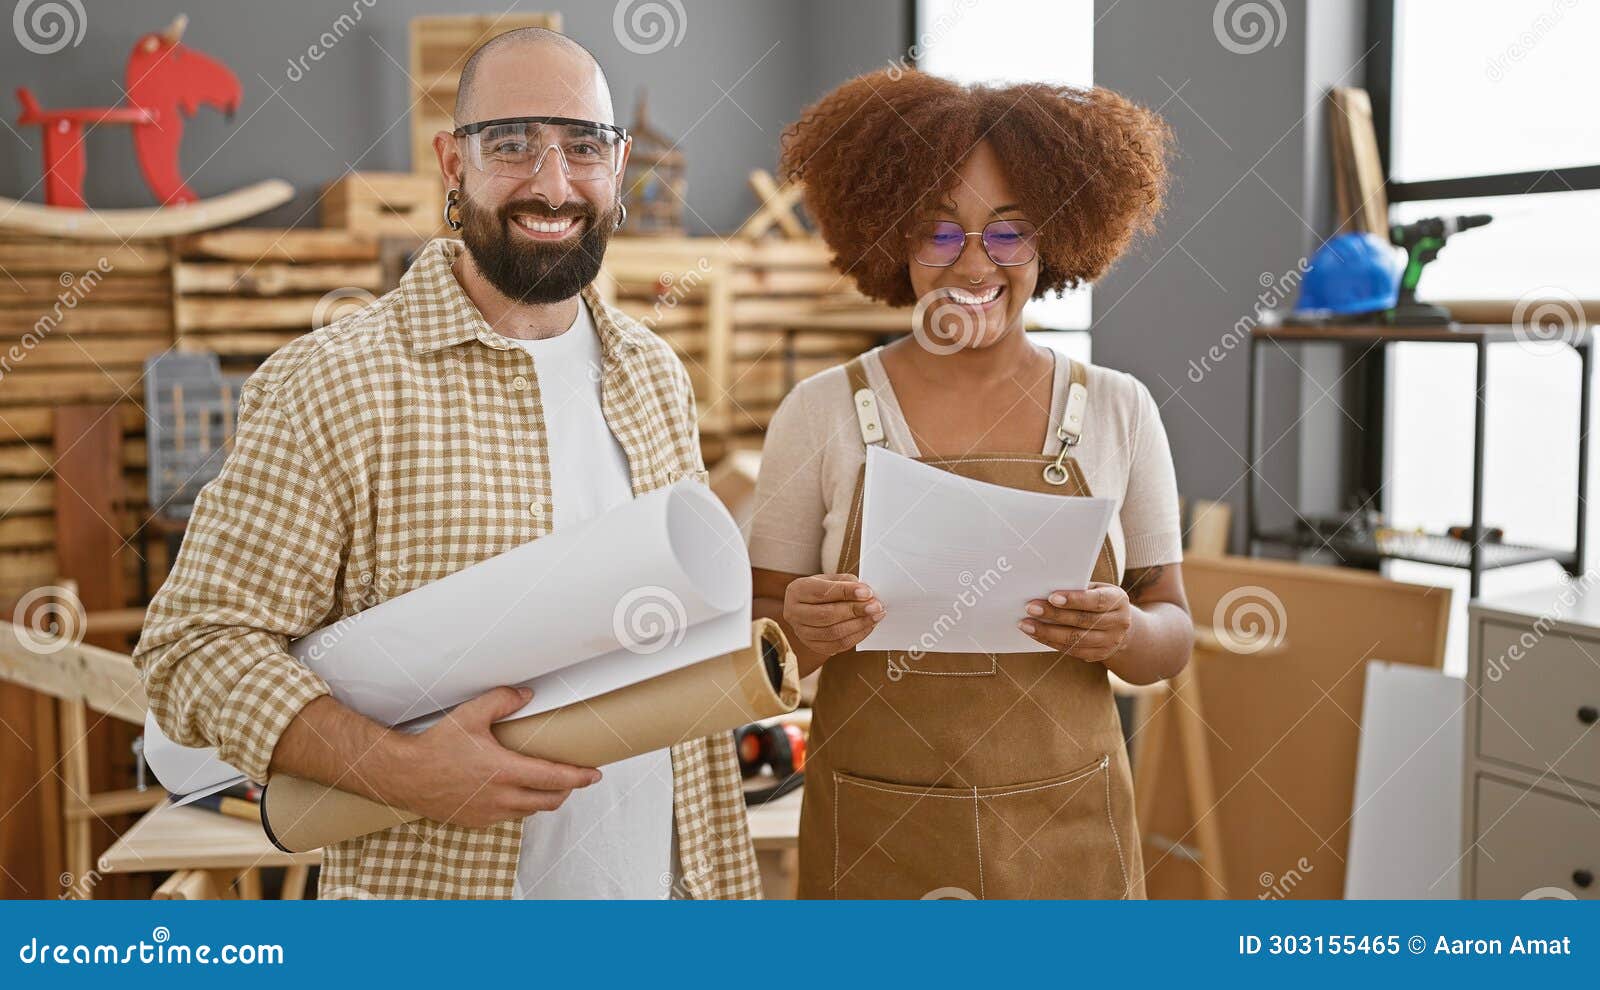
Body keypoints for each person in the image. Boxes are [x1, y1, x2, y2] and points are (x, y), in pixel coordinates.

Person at [134, 28, 761, 900]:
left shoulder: (654, 376)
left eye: (583, 147)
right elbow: (193, 649)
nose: (553, 183)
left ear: (618, 167)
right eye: (511, 143)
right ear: (451, 163)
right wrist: (403, 772)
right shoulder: (336, 383)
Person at [748, 70, 1193, 899]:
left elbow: (1173, 635)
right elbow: (758, 643)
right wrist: (803, 630)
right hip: (878, 836)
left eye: (1010, 233)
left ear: (1058, 238)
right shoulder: (818, 415)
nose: (976, 264)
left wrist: (1127, 630)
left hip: (1068, 832)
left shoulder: (1119, 411)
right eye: (939, 233)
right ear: (889, 239)